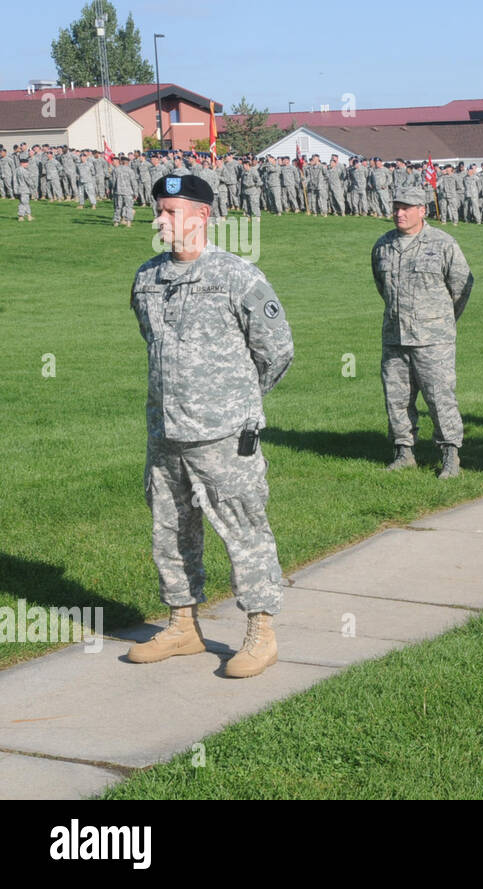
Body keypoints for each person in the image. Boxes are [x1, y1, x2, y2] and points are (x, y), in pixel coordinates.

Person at [126, 174, 294, 678]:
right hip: (166, 432)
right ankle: (183, 625)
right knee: (171, 530)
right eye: (158, 210)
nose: (160, 220)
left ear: (200, 216)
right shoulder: (147, 278)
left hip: (223, 434)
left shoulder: (236, 276)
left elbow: (277, 349)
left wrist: (237, 402)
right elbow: (153, 346)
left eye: (171, 212)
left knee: (244, 530)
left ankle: (261, 631)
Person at [373, 185, 474, 476]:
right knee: (397, 398)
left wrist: (439, 320)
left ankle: (450, 455)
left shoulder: (442, 243)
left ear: (422, 210)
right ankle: (404, 451)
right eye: (396, 207)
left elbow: (462, 286)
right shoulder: (383, 245)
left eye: (406, 208)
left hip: (433, 339)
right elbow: (383, 287)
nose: (399, 213)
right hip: (395, 336)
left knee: (439, 397)